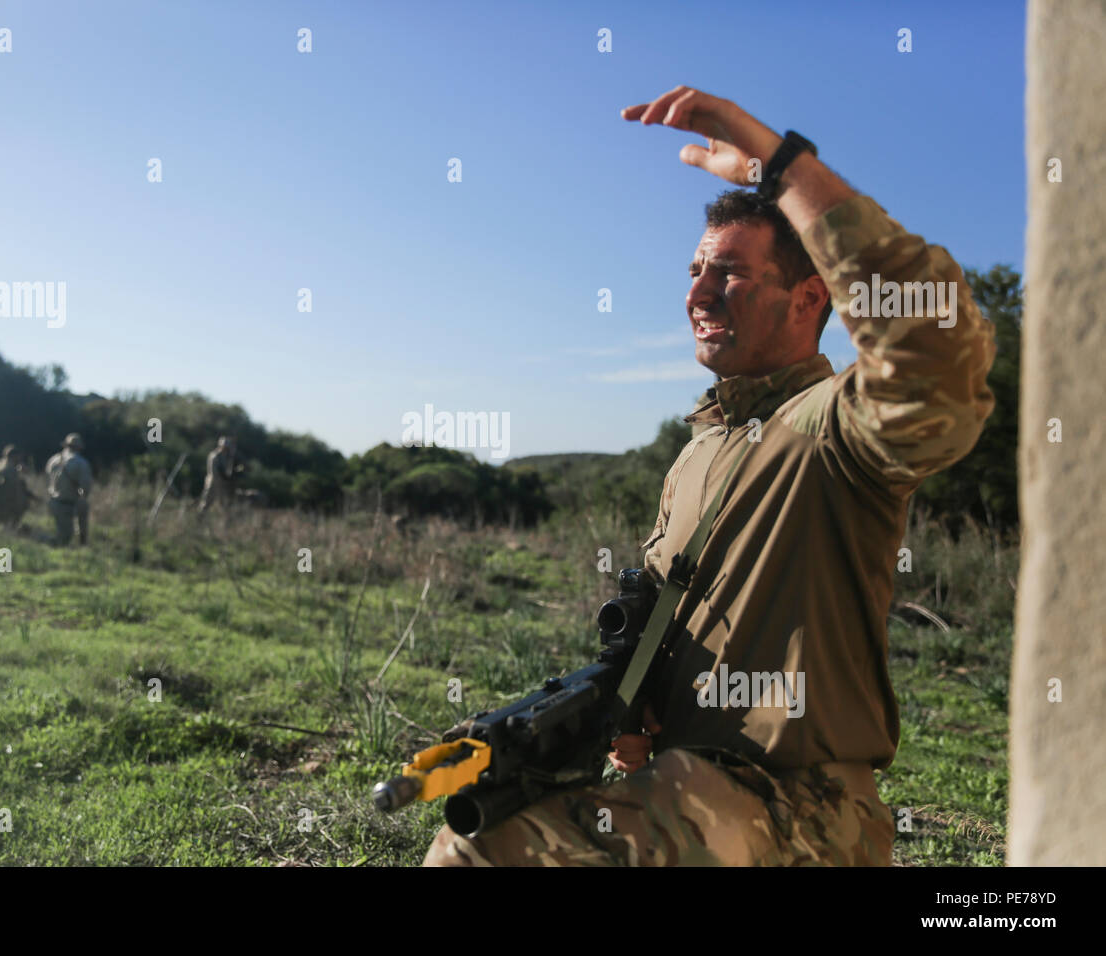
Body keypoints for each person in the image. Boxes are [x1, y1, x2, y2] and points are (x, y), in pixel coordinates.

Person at [423, 86, 996, 867]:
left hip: (802, 810)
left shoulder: (833, 426)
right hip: (690, 784)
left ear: (807, 297)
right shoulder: (700, 450)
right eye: (694, 269)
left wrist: (786, 171)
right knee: (482, 822)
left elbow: (936, 359)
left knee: (483, 858)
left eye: (728, 274)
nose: (695, 293)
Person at [45, 433, 93, 546]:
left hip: (53, 501)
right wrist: (83, 498)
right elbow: (86, 486)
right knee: (65, 536)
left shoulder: (53, 460)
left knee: (57, 531)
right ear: (79, 447)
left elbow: (47, 476)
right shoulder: (81, 463)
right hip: (68, 504)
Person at [198, 436, 240, 512]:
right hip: (213, 483)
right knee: (206, 504)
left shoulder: (226, 457)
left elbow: (228, 470)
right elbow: (215, 472)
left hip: (222, 484)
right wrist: (226, 477)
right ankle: (200, 519)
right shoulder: (214, 456)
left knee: (224, 506)